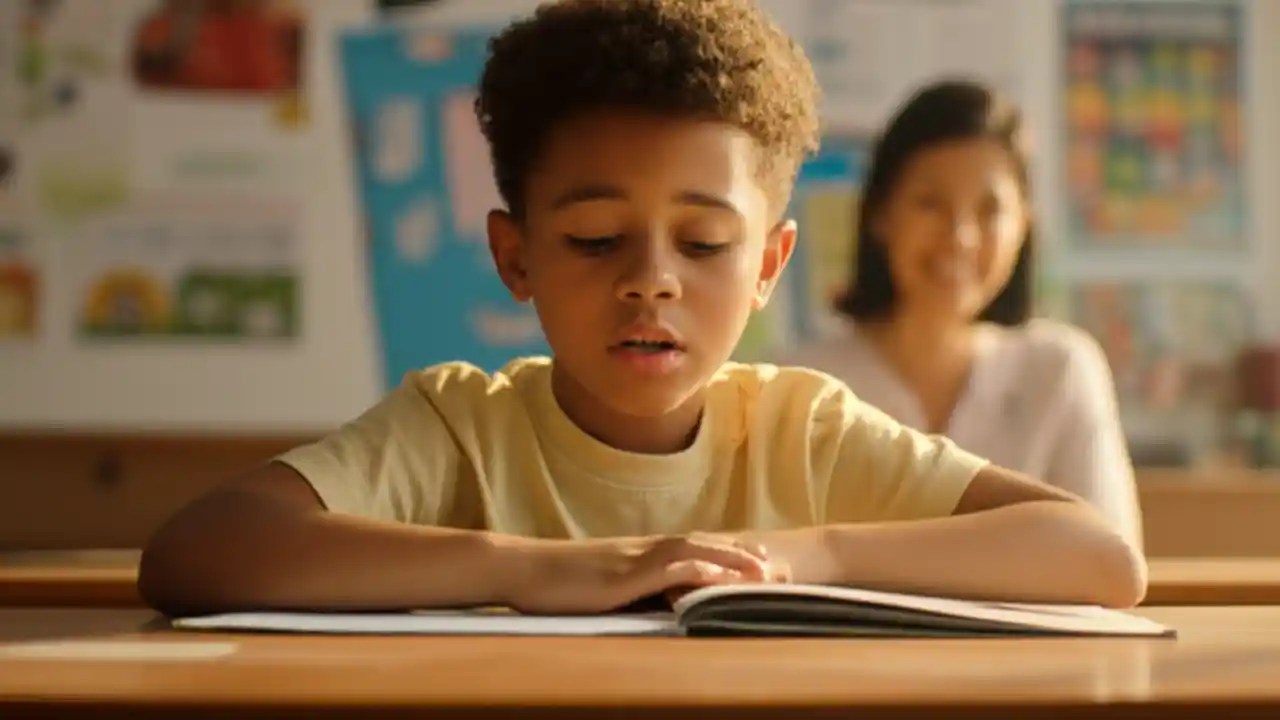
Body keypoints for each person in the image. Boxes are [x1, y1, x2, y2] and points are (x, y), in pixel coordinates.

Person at [138, 0, 1144, 617]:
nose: (651, 281)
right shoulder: (458, 430)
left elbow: (1098, 557)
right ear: (514, 254)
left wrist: (816, 551)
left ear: (768, 266)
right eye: (590, 238)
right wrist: (539, 570)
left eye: (704, 245)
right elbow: (197, 552)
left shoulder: (808, 432)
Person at [785, 80, 1141, 547]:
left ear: (1023, 227)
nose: (961, 237)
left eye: (990, 209)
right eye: (931, 204)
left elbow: (1110, 555)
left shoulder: (1061, 367)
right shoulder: (801, 382)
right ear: (881, 216)